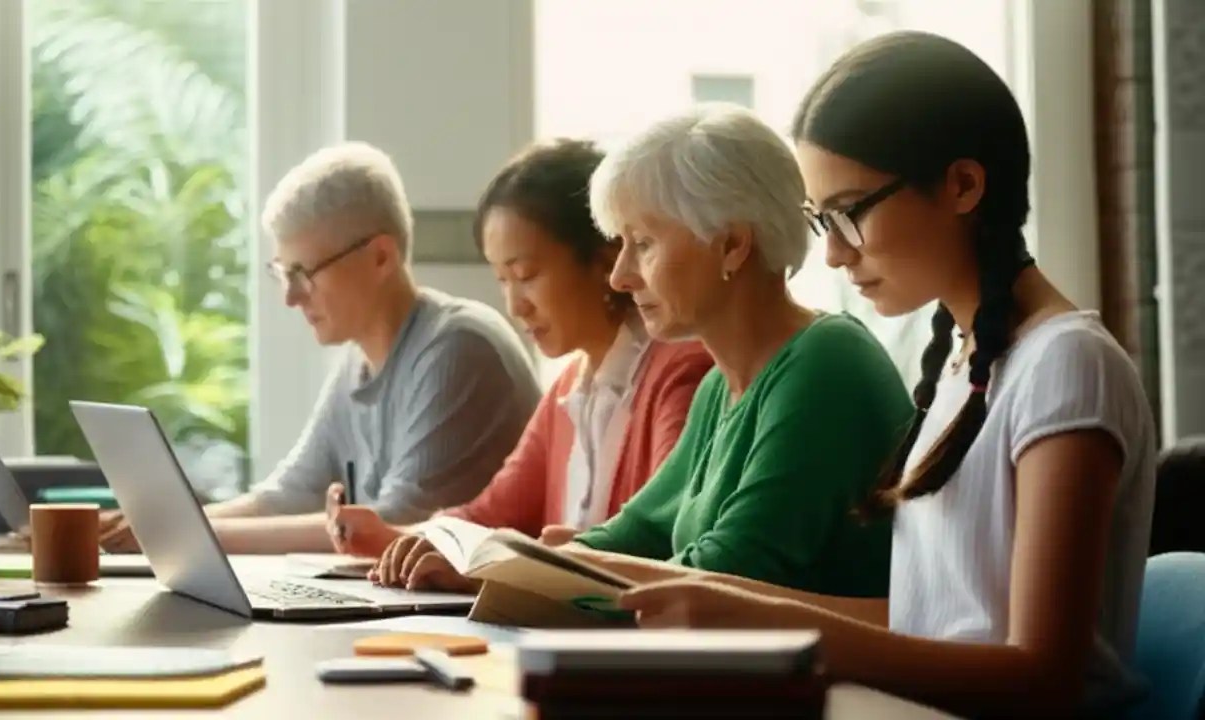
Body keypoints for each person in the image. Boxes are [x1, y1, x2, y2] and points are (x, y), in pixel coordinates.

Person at [615, 33, 1157, 719]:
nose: (835, 254)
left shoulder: (1067, 364)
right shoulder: (965, 365)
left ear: (963, 185)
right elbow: (929, 622)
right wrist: (710, 601)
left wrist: (771, 623)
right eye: (821, 222)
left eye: (850, 213)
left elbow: (1041, 677)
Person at [377, 104, 913, 596]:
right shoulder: (718, 387)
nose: (620, 275)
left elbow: (722, 577)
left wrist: (508, 568)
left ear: (731, 244)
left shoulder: (826, 364)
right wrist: (499, 566)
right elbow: (634, 533)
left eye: (644, 244)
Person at [99, 141, 541, 554]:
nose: (291, 297)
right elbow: (288, 496)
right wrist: (155, 522)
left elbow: (393, 524)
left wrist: (177, 532)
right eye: (282, 273)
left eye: (304, 273)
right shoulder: (356, 362)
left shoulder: (458, 349)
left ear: (381, 257)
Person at [328, 139, 713, 565]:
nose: (515, 306)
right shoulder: (571, 385)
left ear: (604, 261)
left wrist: (551, 559)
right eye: (502, 280)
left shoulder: (681, 370)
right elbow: (489, 514)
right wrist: (393, 538)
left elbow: (659, 538)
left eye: (525, 275)